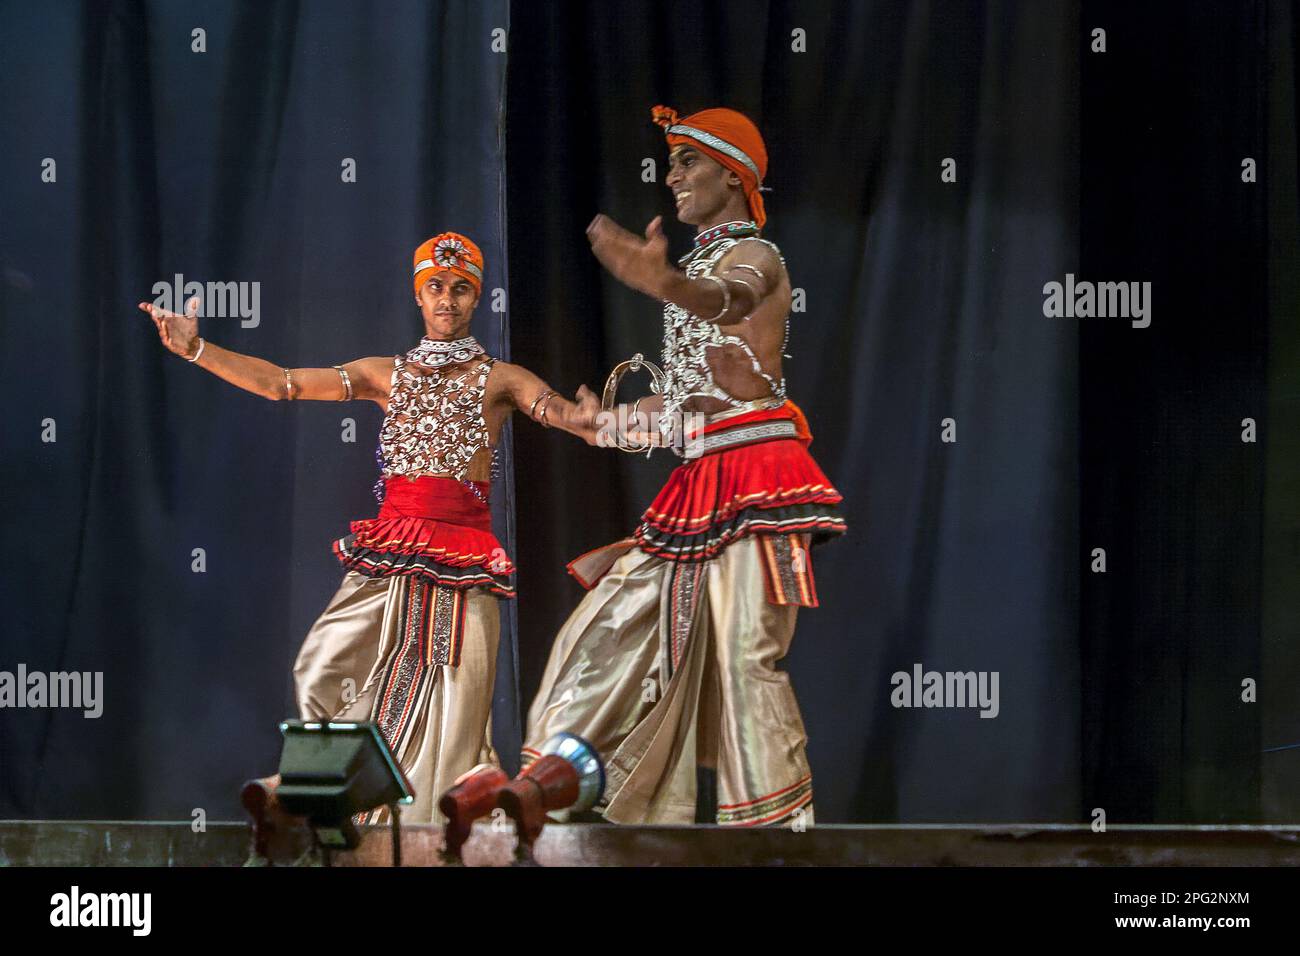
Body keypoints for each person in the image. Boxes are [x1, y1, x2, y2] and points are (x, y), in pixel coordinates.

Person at [140, 231, 599, 824]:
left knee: (454, 718)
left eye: (462, 289)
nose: (448, 300)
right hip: (389, 553)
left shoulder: (500, 379)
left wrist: (593, 422)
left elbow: (562, 413)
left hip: (462, 561)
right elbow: (284, 383)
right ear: (418, 294)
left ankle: (434, 835)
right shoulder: (386, 374)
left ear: (477, 297)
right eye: (436, 286)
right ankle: (329, 794)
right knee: (320, 667)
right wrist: (197, 350)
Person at [521, 105, 847, 827]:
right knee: (606, 629)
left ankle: (773, 839)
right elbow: (682, 408)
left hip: (760, 476)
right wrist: (600, 425)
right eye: (670, 163)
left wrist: (662, 283)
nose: (671, 177)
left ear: (733, 174)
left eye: (687, 163)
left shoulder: (756, 257)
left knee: (742, 659)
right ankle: (575, 793)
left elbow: (724, 300)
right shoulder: (695, 264)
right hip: (698, 482)